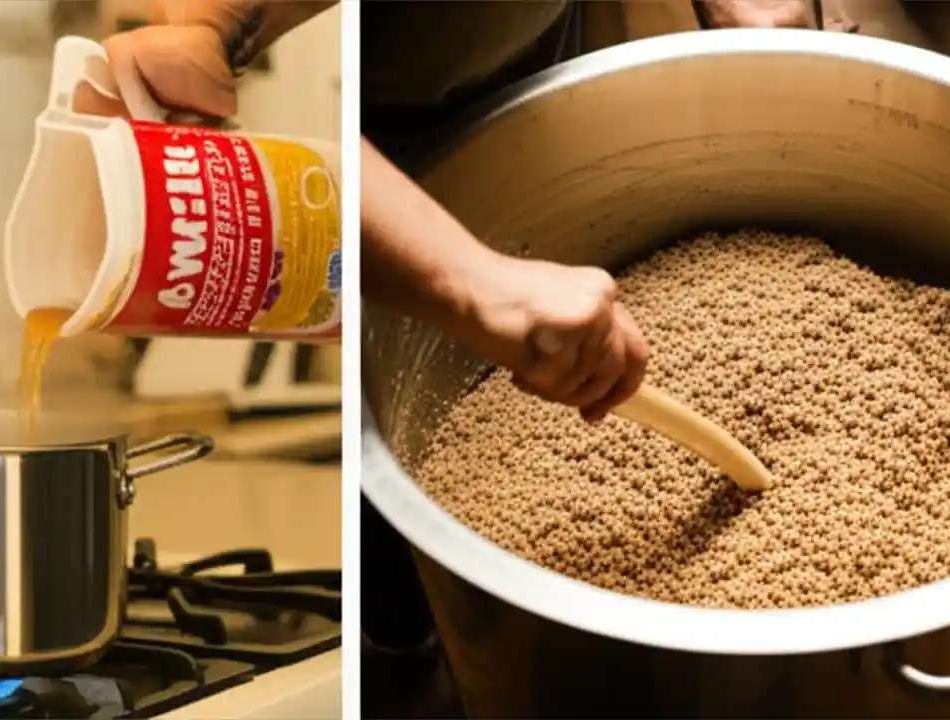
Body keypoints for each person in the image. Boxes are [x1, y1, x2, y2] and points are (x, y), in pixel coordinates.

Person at [85, 0, 843, 662]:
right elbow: (207, 27)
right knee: (403, 573)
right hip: (384, 156)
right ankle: (406, 644)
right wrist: (474, 284)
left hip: (533, 65)